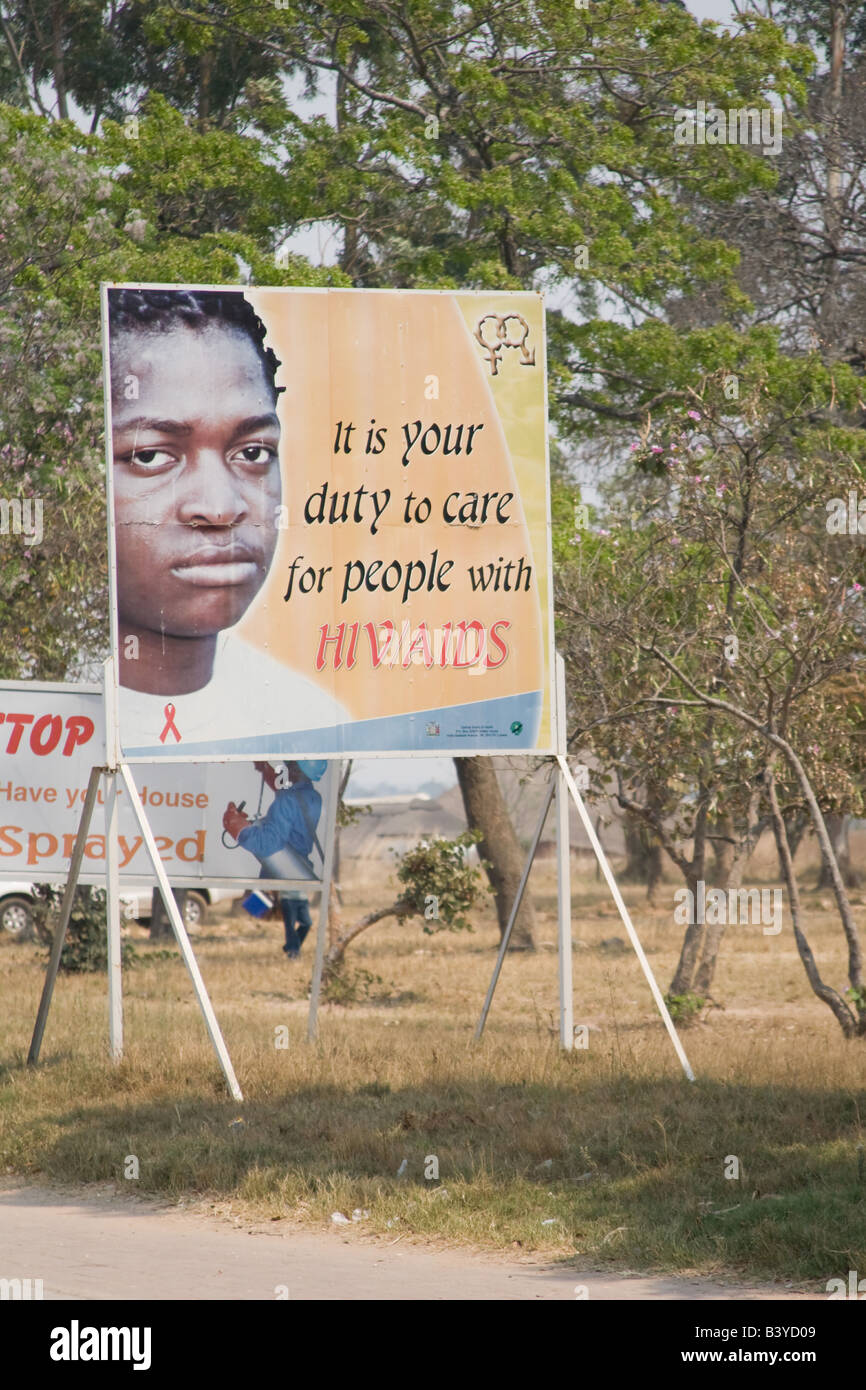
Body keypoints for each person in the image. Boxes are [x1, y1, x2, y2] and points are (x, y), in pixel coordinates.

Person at [107, 287, 346, 752]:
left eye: (252, 452)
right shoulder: (30, 706)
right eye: (152, 455)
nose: (220, 508)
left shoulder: (307, 723)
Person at [222, 760, 325, 959]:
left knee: (259, 908)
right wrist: (267, 771)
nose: (284, 768)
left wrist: (238, 828)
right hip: (297, 864)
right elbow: (288, 797)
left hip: (280, 866)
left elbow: (267, 844)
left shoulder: (286, 801)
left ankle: (287, 946)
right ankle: (289, 946)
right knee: (295, 916)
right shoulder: (313, 797)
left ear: (296, 770)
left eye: (290, 765)